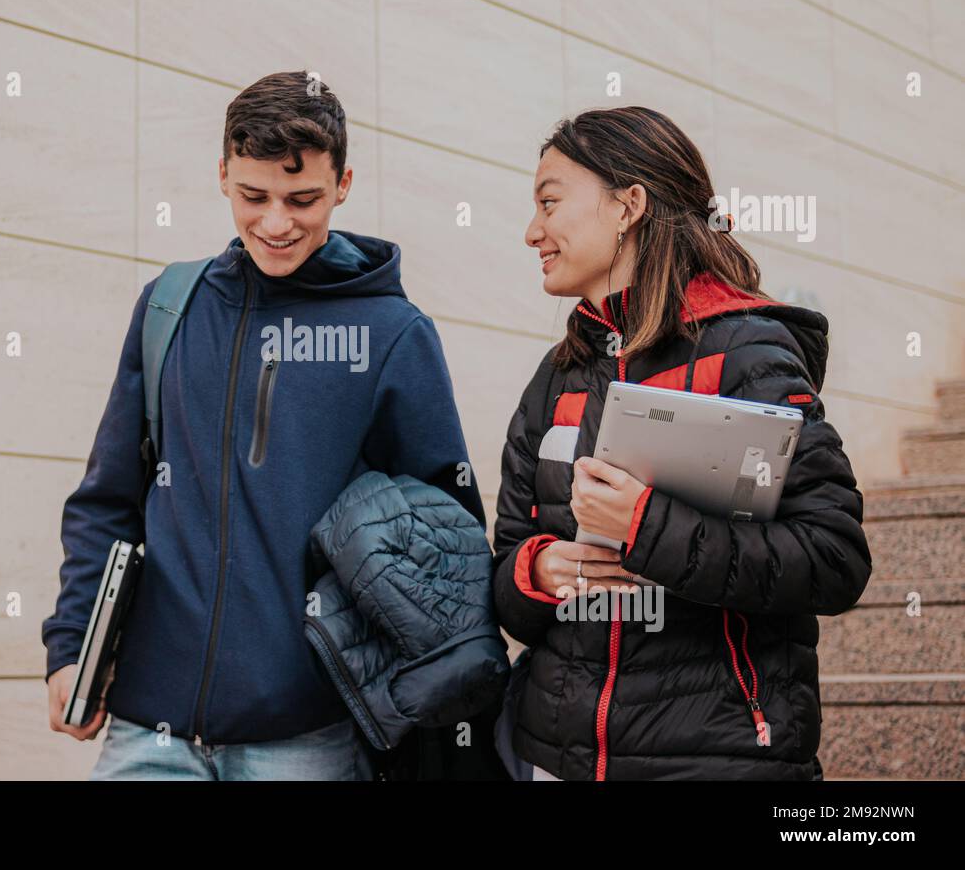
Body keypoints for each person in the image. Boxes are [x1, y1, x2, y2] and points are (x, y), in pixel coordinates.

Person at [42, 70, 483, 780]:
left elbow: (447, 539)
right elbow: (107, 497)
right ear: (222, 176)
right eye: (254, 197)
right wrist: (71, 647)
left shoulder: (393, 333)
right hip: (148, 724)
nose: (275, 223)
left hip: (305, 732)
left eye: (302, 198)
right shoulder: (170, 307)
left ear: (342, 184)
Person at [492, 106, 872, 780]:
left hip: (718, 759)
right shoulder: (553, 379)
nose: (532, 232)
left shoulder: (745, 354)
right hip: (553, 757)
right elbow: (505, 573)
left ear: (628, 206)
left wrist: (644, 527)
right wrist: (540, 571)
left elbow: (833, 558)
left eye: (549, 203)